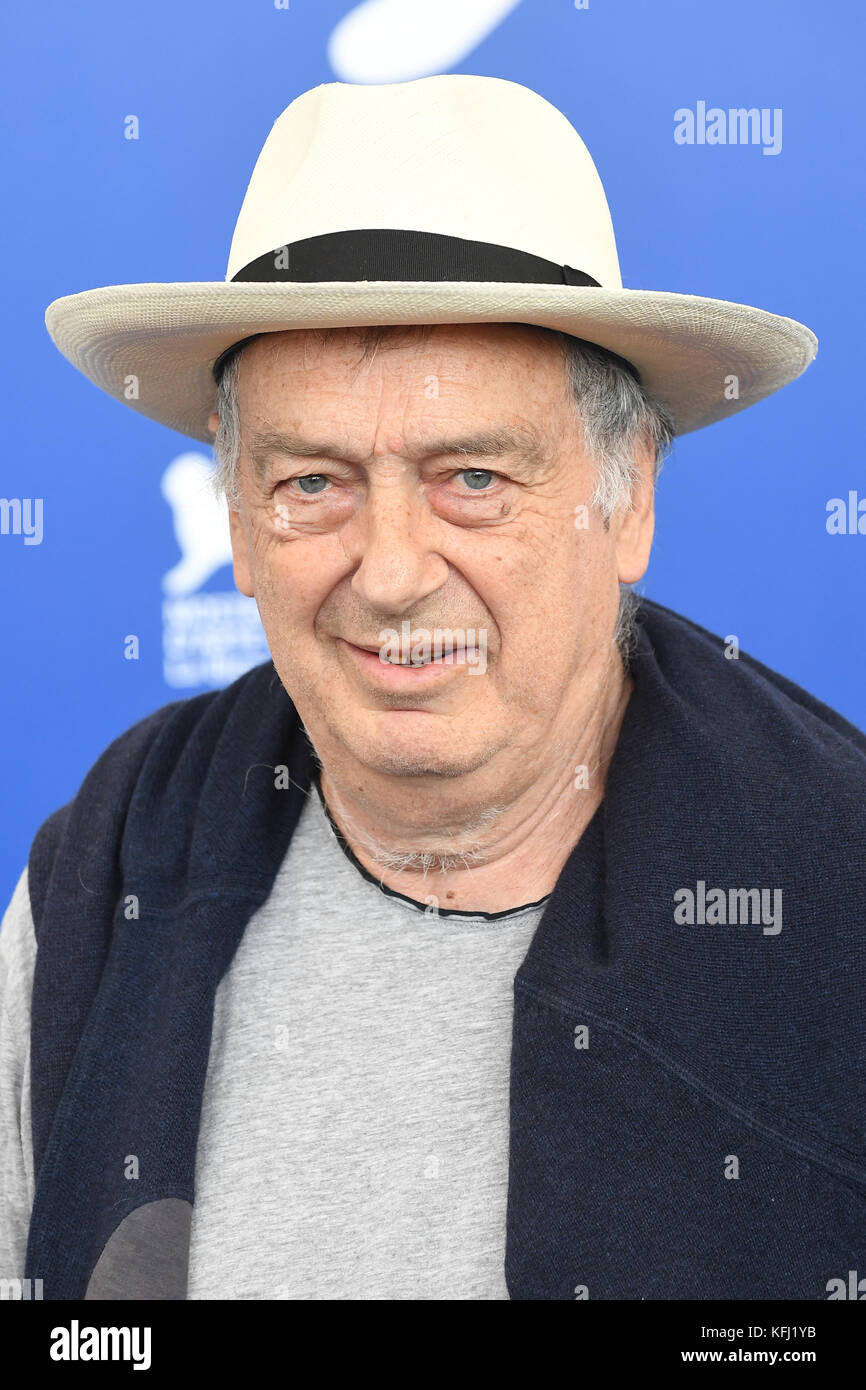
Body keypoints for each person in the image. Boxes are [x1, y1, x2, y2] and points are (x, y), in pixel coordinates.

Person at [2, 74, 863, 1302]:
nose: (394, 573)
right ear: (236, 524)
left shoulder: (836, 888)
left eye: (471, 476)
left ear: (629, 499)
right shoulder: (102, 870)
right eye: (311, 482)